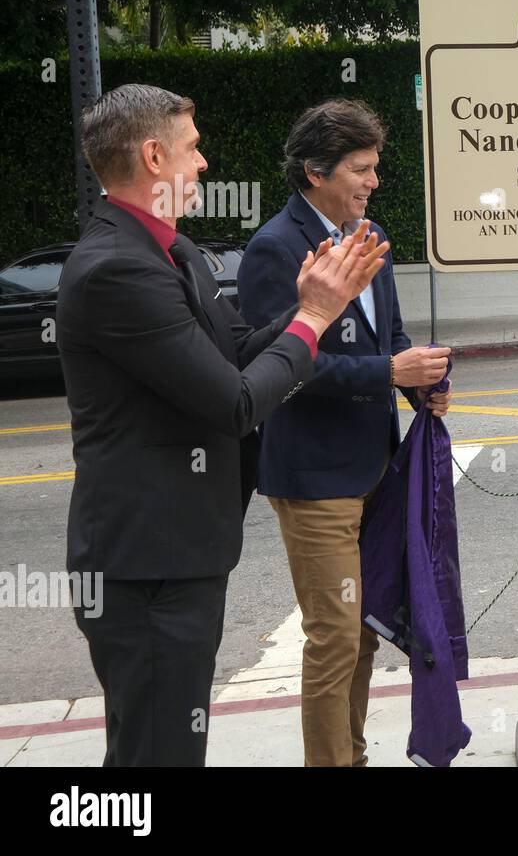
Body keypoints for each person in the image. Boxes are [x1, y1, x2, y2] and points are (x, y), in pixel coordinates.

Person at [58, 83, 387, 766]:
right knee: (157, 755)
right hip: (147, 566)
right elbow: (236, 400)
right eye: (193, 147)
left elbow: (238, 350)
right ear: (154, 156)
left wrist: (306, 306)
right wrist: (316, 318)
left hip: (180, 557)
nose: (204, 162)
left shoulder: (169, 251)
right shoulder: (118, 267)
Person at [237, 99, 451, 767]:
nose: (373, 181)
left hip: (374, 470)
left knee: (361, 634)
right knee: (333, 635)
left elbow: (391, 335)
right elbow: (284, 366)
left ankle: (350, 756)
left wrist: (421, 381)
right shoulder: (276, 248)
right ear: (315, 172)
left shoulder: (369, 233)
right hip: (314, 477)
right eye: (360, 169)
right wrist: (389, 370)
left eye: (375, 167)